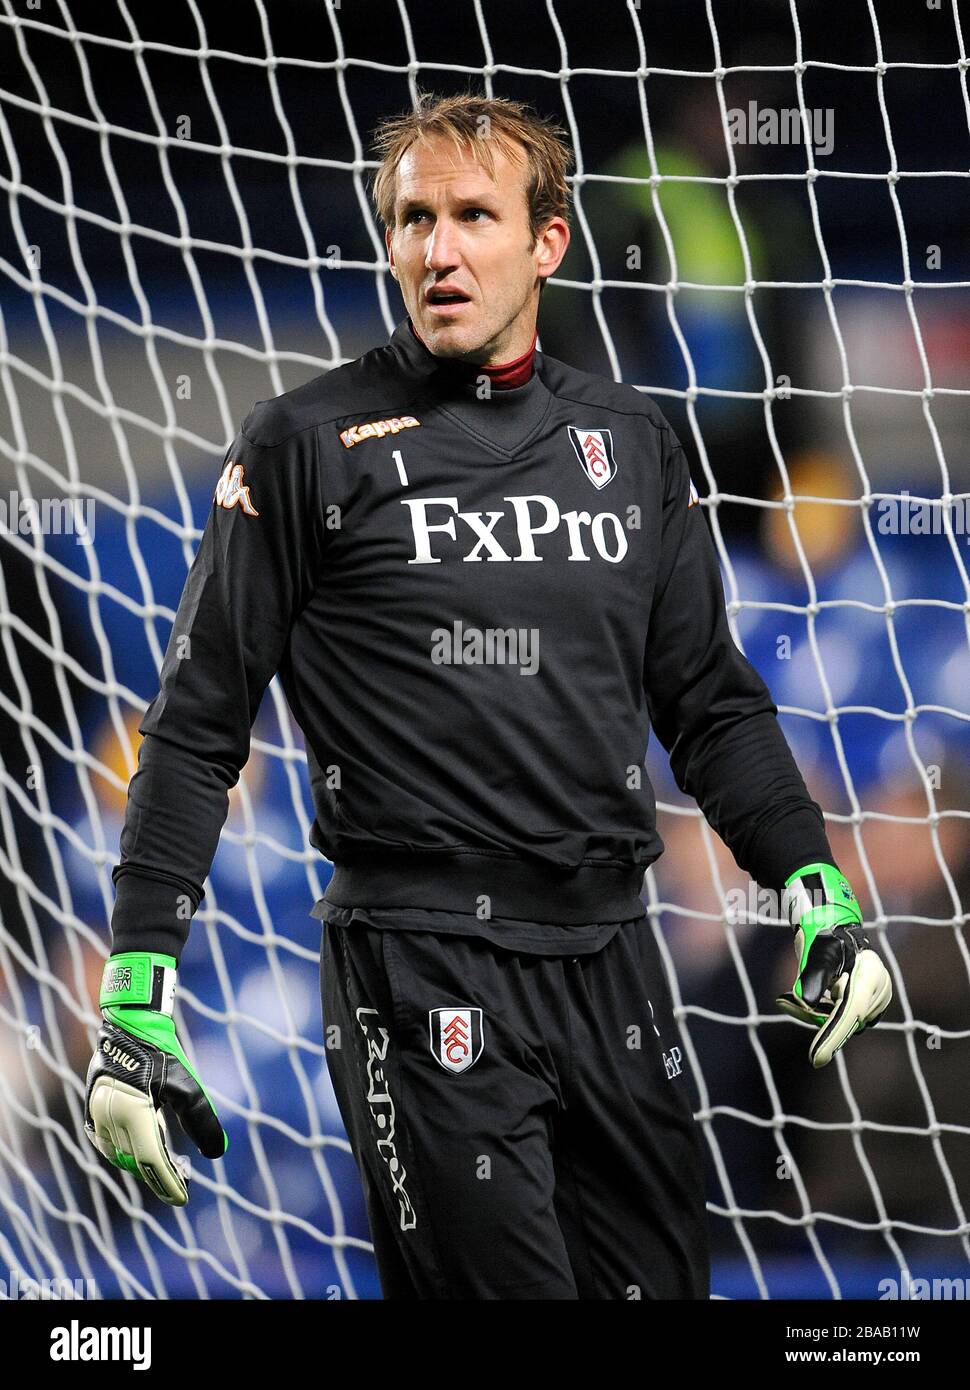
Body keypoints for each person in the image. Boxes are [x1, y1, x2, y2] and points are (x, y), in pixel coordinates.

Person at [82, 91, 892, 1299]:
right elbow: (197, 733)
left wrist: (813, 885)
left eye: (472, 214)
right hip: (420, 971)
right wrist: (137, 987)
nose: (437, 248)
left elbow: (712, 706)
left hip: (615, 958)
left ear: (547, 242)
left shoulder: (634, 442)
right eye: (412, 217)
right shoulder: (303, 444)